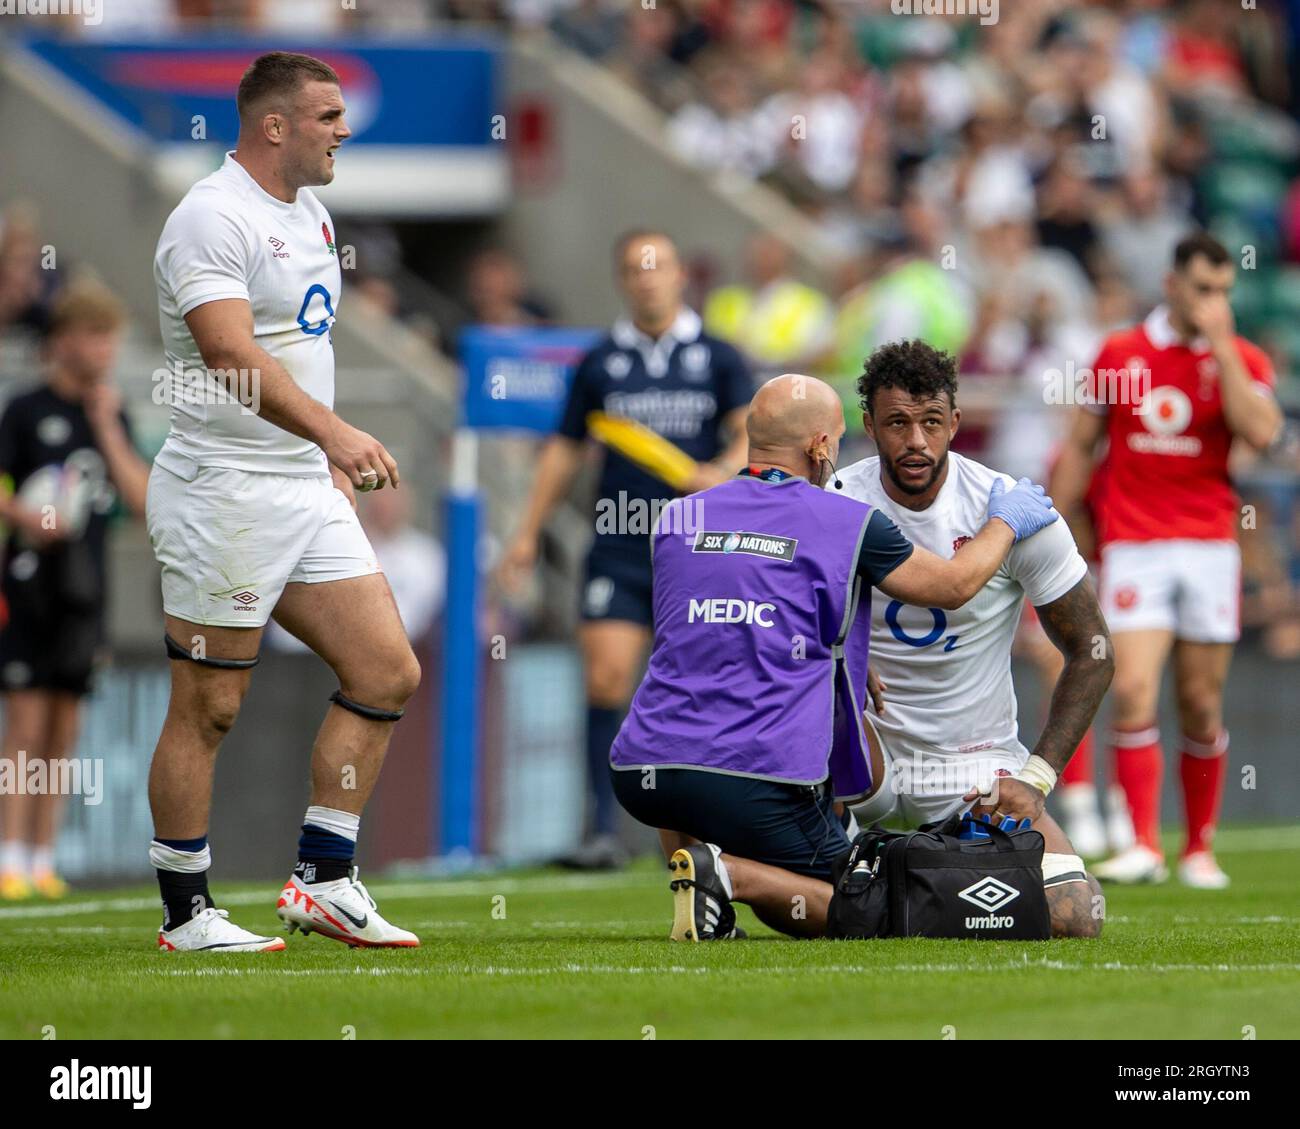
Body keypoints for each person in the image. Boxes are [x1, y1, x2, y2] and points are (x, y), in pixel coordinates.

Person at [610, 373, 1061, 940]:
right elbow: (951, 586)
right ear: (821, 446)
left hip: (641, 771)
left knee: (686, 756)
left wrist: (842, 652)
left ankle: (710, 898)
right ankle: (723, 873)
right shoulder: (847, 522)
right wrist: (1007, 521)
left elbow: (721, 626)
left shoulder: (679, 518)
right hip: (749, 780)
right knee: (866, 906)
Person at [147, 51, 422, 952]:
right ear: (275, 126)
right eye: (329, 115)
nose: (345, 129)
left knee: (387, 669)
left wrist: (324, 461)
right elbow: (229, 355)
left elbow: (298, 343)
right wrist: (336, 434)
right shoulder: (209, 216)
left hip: (303, 487)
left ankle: (324, 878)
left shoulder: (310, 212)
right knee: (209, 705)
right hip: (221, 491)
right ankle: (187, 914)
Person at [498, 229, 753, 869]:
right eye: (635, 269)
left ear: (678, 275)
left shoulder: (719, 357)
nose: (647, 278)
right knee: (607, 678)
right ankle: (603, 830)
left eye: (658, 266)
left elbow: (753, 435)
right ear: (623, 280)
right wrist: (527, 532)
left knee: (705, 685)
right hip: (617, 542)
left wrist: (720, 470)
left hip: (701, 549)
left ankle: (714, 827)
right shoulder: (601, 360)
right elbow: (565, 449)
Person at [839, 340, 1109, 938]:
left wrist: (1036, 779)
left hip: (977, 770)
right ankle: (898, 866)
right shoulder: (834, 502)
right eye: (898, 423)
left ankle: (904, 880)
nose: (916, 441)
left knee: (1074, 917)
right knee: (802, 900)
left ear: (955, 423)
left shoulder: (1010, 507)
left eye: (931, 422)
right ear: (869, 425)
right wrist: (838, 661)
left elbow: (1093, 650)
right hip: (865, 761)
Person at [1051, 233, 1282, 888]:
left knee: (1202, 703)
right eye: (1203, 288)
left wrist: (1223, 348)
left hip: (1210, 542)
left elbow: (1261, 434)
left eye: (1223, 292)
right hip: (1135, 541)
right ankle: (1144, 843)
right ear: (1171, 284)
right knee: (1130, 688)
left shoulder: (1242, 358)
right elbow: (1081, 444)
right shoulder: (1120, 353)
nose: (1213, 302)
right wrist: (1060, 520)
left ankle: (1200, 848)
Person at [0, 282, 149, 900]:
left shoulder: (110, 415)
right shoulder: (25, 410)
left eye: (110, 337)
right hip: (30, 586)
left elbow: (141, 502)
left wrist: (106, 428)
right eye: (94, 335)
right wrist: (26, 517)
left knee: (65, 729)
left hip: (86, 595)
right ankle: (9, 855)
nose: (105, 349)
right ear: (63, 342)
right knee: (26, 724)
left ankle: (42, 857)